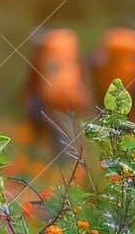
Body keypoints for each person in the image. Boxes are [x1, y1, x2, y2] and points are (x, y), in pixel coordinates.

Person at [24, 28, 91, 159]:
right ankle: (76, 167)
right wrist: (87, 96)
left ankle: (61, 165)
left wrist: (27, 95)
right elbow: (83, 71)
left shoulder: (43, 48)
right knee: (72, 133)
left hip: (52, 95)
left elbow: (33, 77)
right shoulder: (70, 46)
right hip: (74, 93)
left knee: (57, 133)